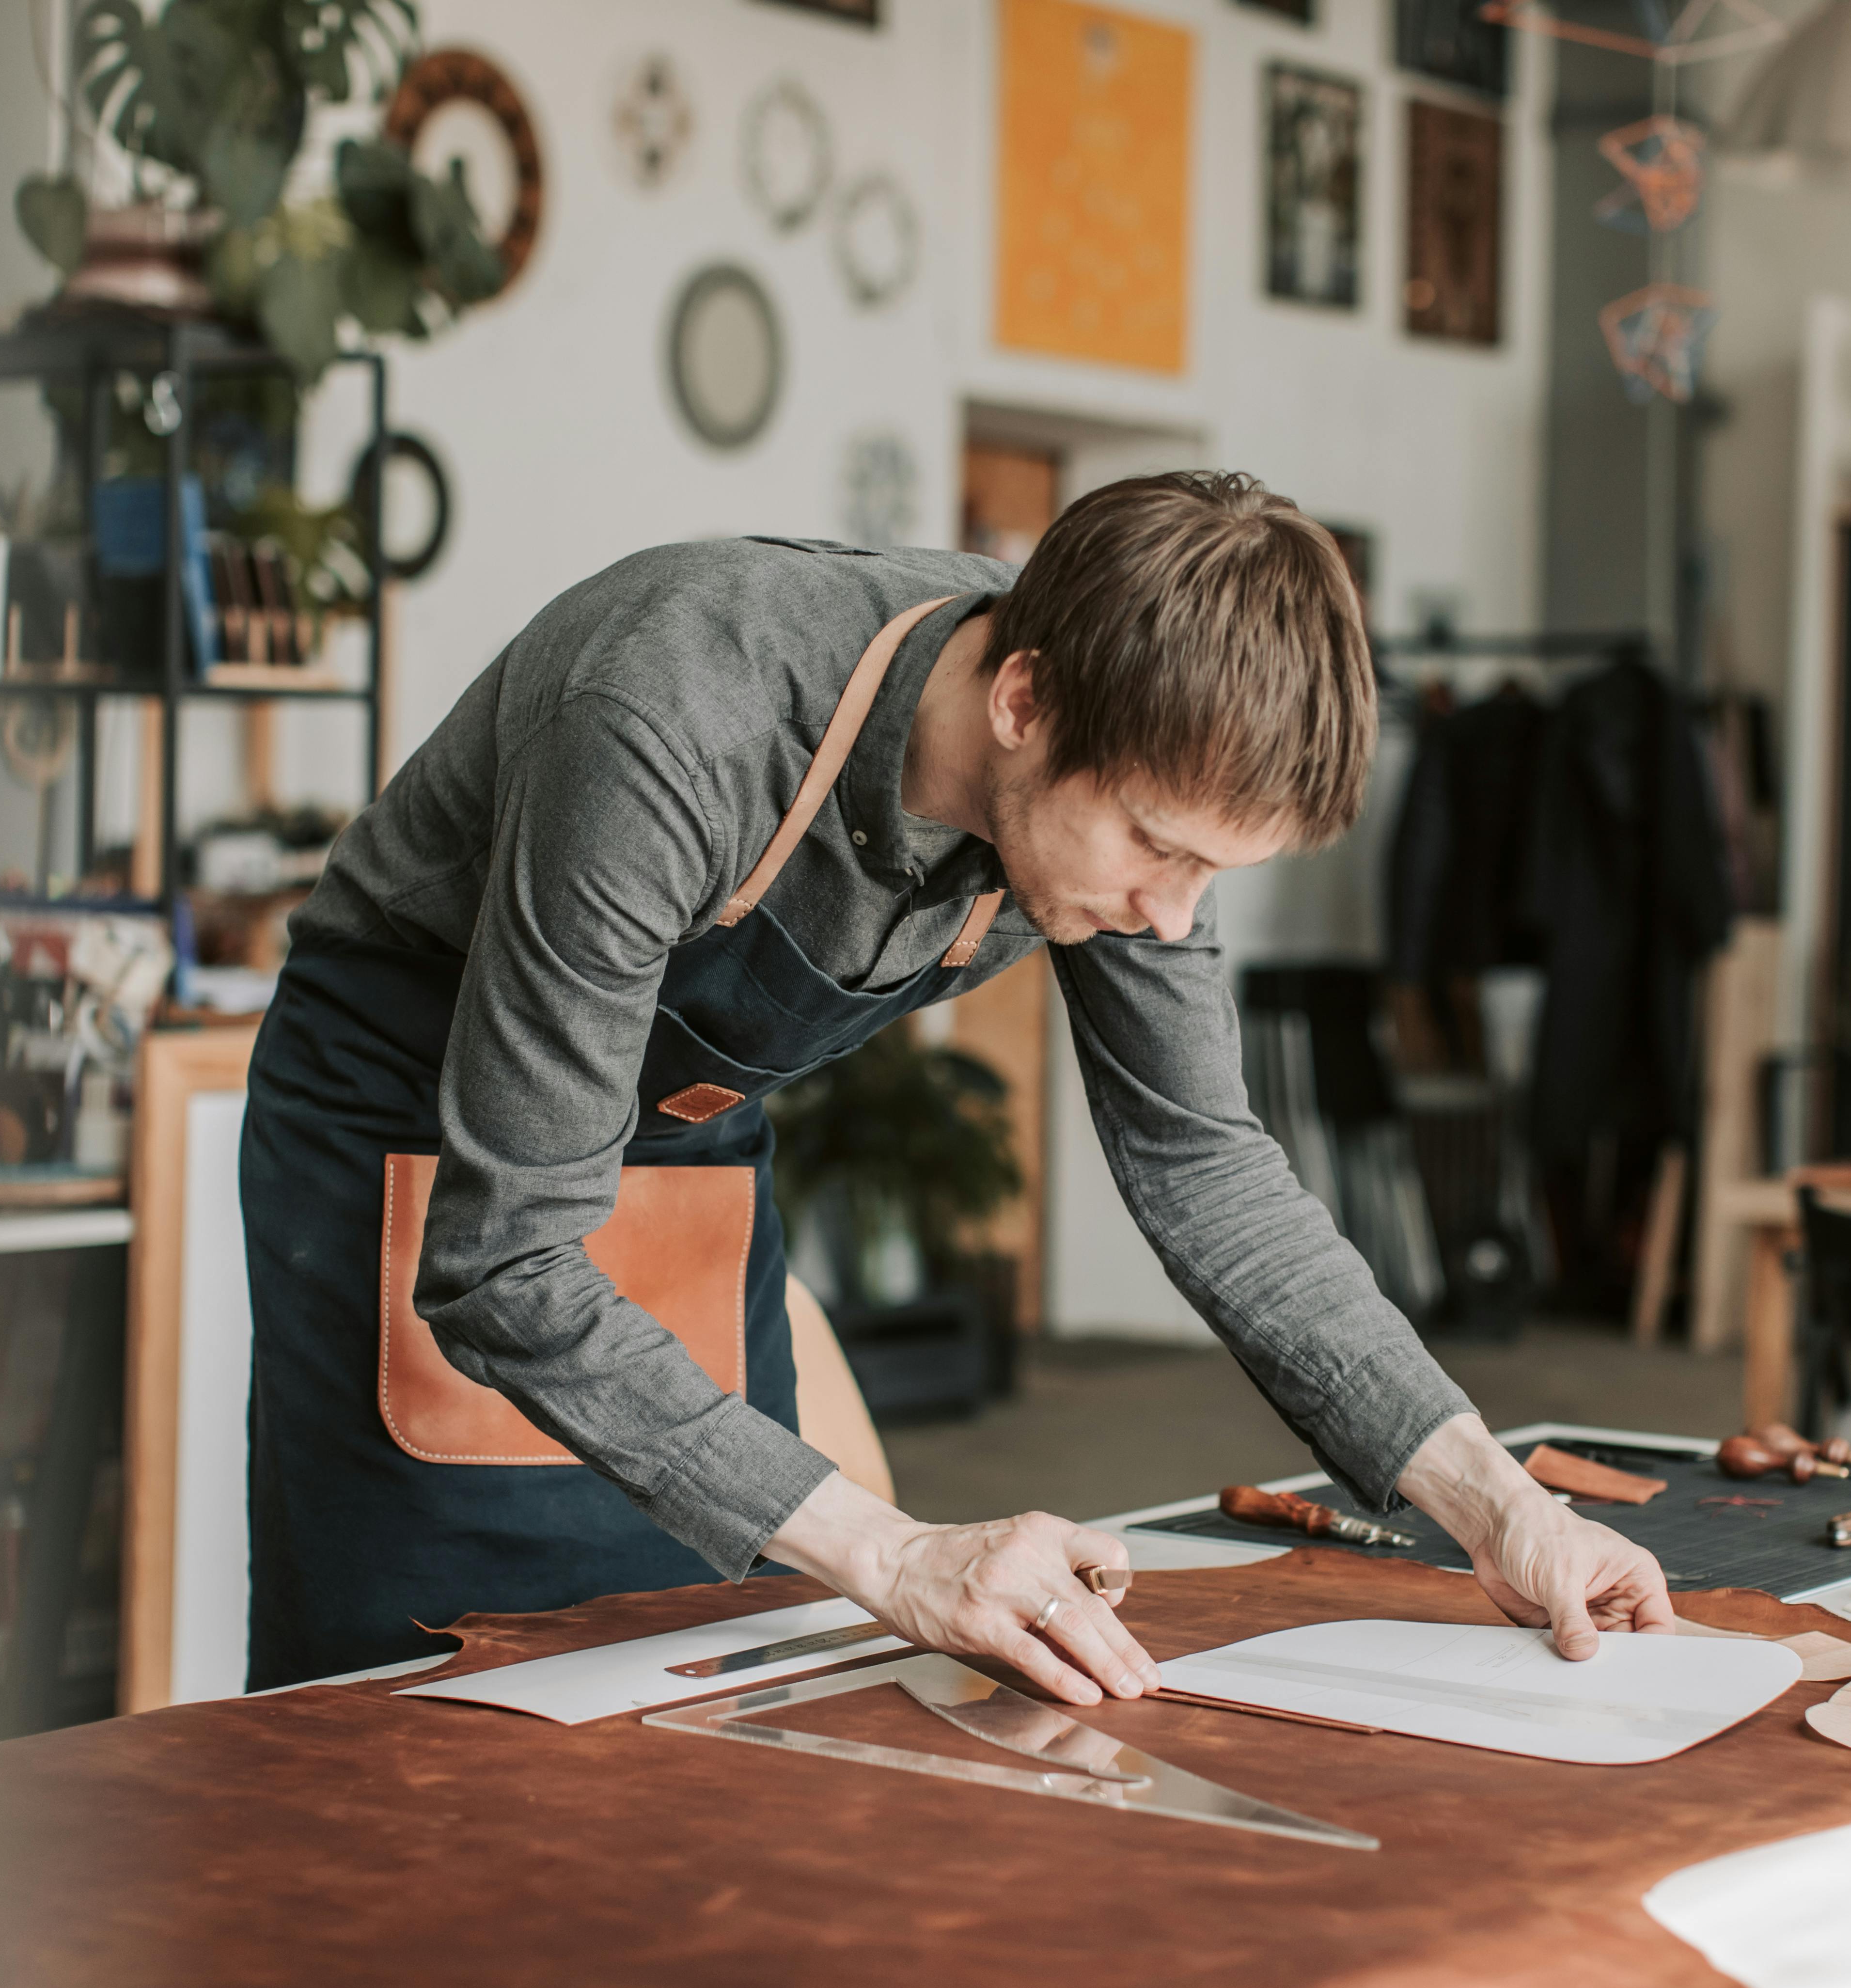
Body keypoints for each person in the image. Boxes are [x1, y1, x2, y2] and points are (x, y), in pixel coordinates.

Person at [240, 471, 1672, 1696]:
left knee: (710, 1635)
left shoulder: (1132, 760)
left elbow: (1210, 1170)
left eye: (1212, 874)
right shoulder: (672, 716)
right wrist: (899, 1554)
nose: (1173, 916)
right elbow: (507, 1259)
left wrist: (1499, 1505)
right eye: (1157, 847)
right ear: (1023, 699)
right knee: (432, 1666)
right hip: (415, 1116)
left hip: (683, 1136)